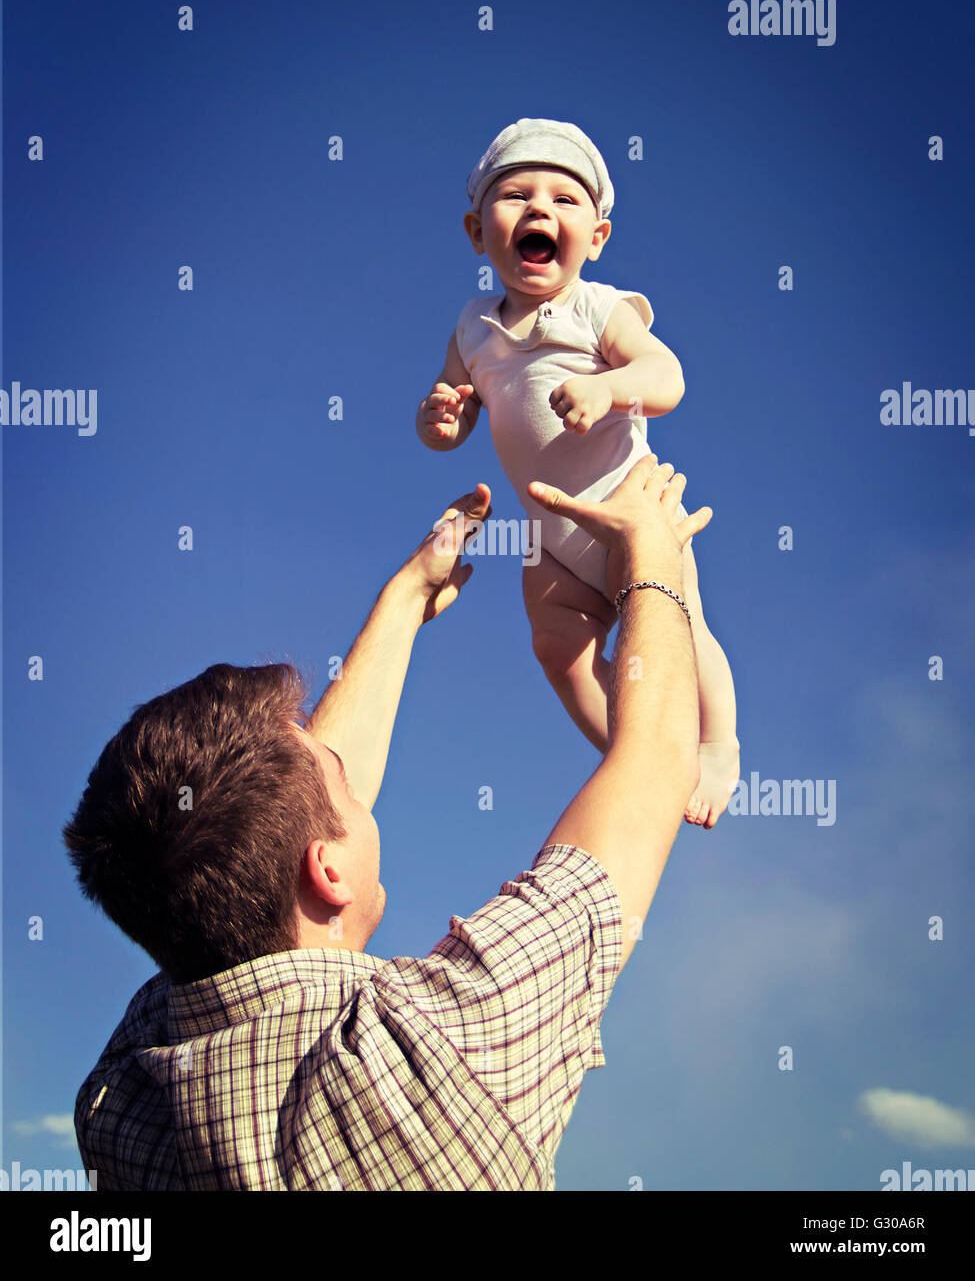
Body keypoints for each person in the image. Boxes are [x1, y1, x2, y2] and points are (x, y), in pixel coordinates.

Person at [65, 456, 708, 1191]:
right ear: (325, 871)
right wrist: (652, 555)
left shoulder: (125, 1100)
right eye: (336, 772)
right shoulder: (435, 1046)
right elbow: (656, 763)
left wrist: (406, 599)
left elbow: (278, 833)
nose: (348, 772)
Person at [416, 118, 739, 827]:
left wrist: (607, 389)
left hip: (628, 507)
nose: (539, 210)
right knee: (556, 646)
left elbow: (667, 375)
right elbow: (453, 419)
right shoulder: (472, 329)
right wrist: (440, 421)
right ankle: (641, 756)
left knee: (681, 623)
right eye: (517, 196)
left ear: (595, 238)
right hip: (550, 528)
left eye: (564, 199)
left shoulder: (598, 309)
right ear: (477, 232)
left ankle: (716, 745)